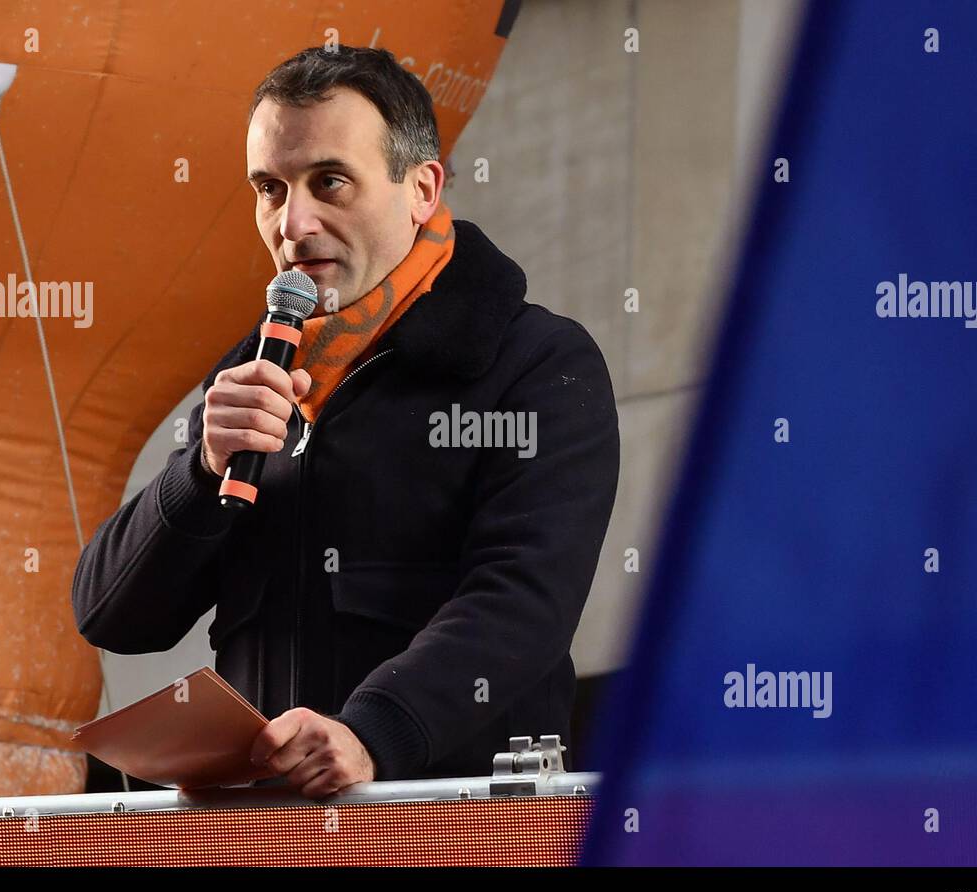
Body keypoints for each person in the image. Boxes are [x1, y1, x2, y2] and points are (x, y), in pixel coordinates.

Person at [72, 45, 619, 799]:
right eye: (270, 188)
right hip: (269, 835)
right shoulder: (254, 377)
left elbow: (523, 601)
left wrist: (373, 733)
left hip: (452, 828)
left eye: (328, 181)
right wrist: (200, 469)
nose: (292, 223)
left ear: (422, 187)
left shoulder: (534, 363)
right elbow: (110, 615)